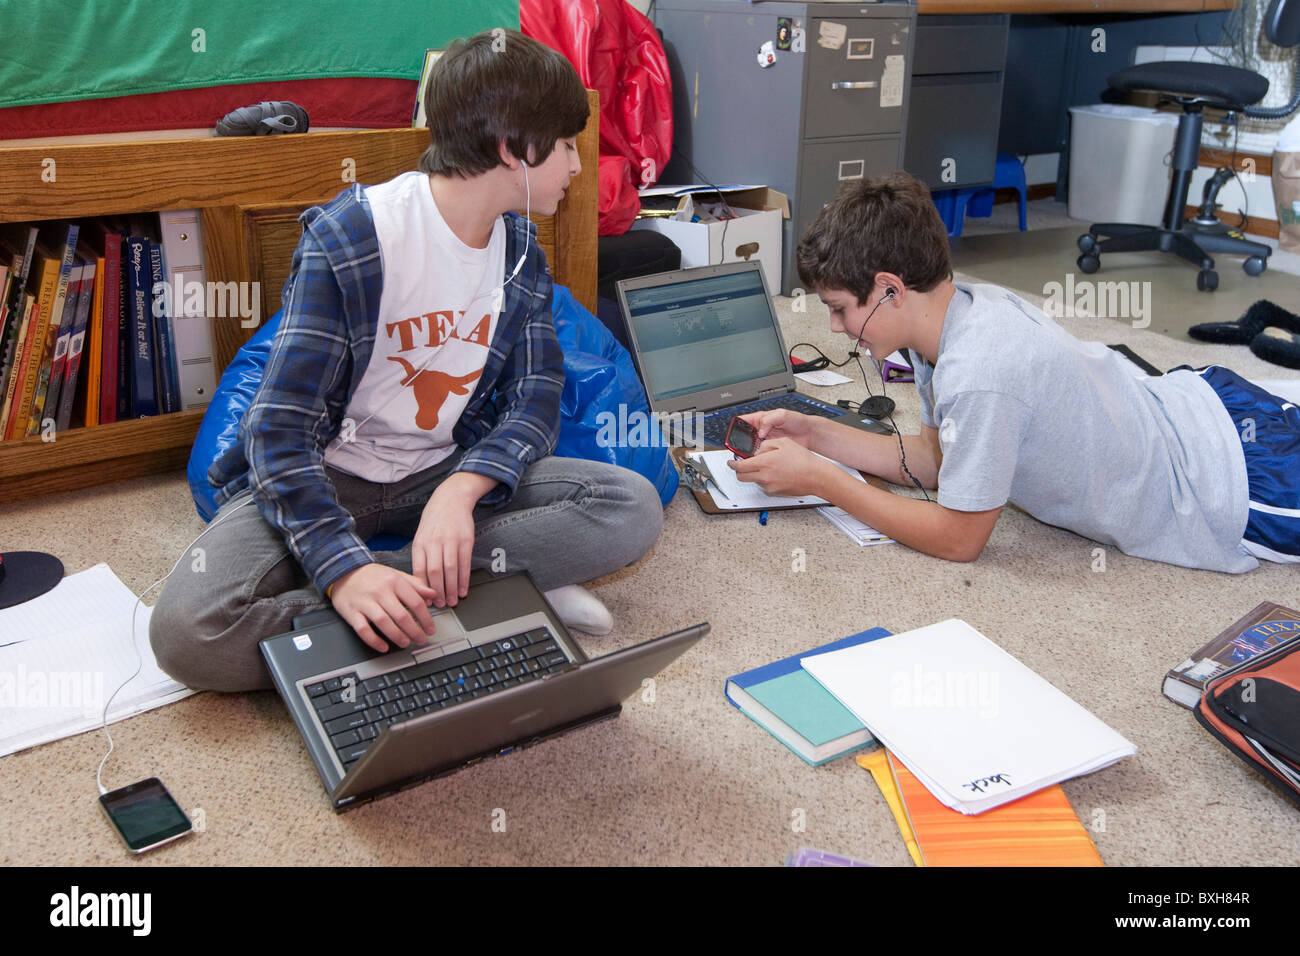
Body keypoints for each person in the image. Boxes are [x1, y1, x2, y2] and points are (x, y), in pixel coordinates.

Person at [150, 29, 664, 693]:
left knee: (631, 505)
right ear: (513, 149)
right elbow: (277, 432)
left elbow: (536, 397)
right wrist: (343, 570)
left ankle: (411, 592)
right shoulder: (352, 237)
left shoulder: (518, 251)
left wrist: (463, 488)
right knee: (189, 634)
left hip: (439, 471)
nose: (575, 165)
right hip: (328, 473)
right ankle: (472, 592)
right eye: (567, 145)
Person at [729, 170, 1299, 573]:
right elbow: (936, 463)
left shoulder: (980, 372)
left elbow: (959, 539)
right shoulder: (953, 318)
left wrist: (823, 480)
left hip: (1228, 481)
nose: (833, 328)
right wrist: (817, 435)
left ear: (889, 290)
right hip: (1201, 405)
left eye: (839, 308)